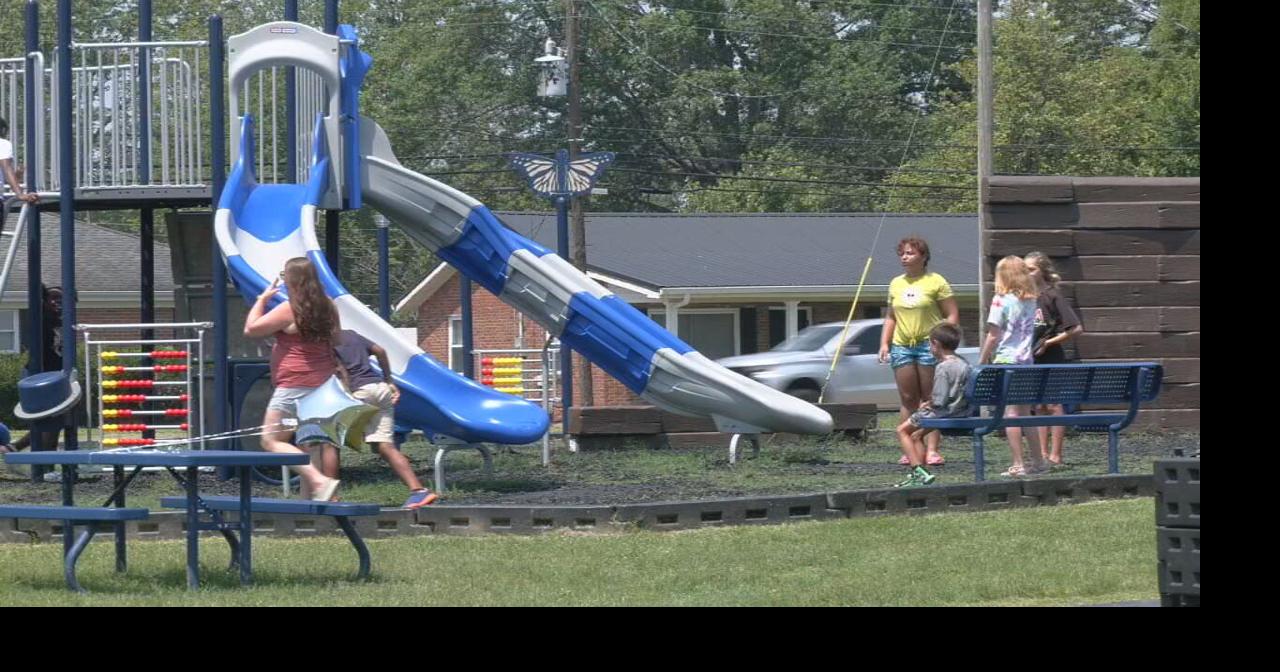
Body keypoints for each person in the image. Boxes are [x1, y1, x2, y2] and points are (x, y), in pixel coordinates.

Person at [243, 257, 343, 501]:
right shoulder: (329, 305)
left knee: (271, 440)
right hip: (323, 384)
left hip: (295, 385)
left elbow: (251, 329)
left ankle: (320, 481)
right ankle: (312, 504)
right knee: (311, 443)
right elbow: (338, 340)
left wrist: (262, 299)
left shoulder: (290, 308)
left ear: (290, 279)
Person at [322, 329, 438, 508]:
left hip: (357, 390)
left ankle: (330, 497)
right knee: (385, 446)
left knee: (330, 442)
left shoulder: (323, 341)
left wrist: (347, 394)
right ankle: (419, 491)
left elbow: (339, 369)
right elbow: (380, 351)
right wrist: (389, 379)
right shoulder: (351, 334)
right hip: (380, 388)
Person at [879, 236, 959, 467]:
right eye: (902, 253)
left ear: (923, 257)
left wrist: (943, 340)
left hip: (929, 345)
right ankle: (910, 449)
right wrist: (884, 343)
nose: (904, 257)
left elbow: (952, 314)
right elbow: (891, 316)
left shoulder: (936, 281)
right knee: (908, 398)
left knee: (930, 398)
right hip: (902, 345)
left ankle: (932, 450)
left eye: (910, 253)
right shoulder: (896, 283)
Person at [979, 255, 1047, 478]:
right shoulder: (1031, 300)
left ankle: (1018, 463)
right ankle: (1038, 461)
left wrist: (982, 361)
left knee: (1011, 413)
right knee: (1026, 413)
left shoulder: (1001, 299)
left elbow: (993, 334)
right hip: (1026, 361)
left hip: (1007, 361)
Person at [893, 322, 971, 488]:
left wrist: (927, 404)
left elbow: (940, 400)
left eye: (929, 344)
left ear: (935, 344)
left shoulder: (942, 367)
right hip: (960, 411)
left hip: (942, 412)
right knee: (916, 435)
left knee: (902, 430)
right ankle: (920, 477)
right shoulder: (964, 363)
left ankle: (918, 470)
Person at [1025, 252, 1083, 467]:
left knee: (1053, 404)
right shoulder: (1024, 297)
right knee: (1039, 405)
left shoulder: (1052, 295)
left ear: (1042, 271)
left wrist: (1049, 343)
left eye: (1031, 269)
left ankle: (1056, 455)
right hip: (1031, 357)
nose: (1027, 273)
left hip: (1050, 356)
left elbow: (1075, 329)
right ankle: (1042, 454)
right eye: (1024, 269)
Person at [2, 285, 65, 456]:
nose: (57, 302)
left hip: (56, 376)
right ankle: (25, 452)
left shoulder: (63, 321)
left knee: (56, 420)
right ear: (44, 301)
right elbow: (38, 293)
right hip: (38, 375)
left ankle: (30, 452)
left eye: (60, 299)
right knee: (48, 420)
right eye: (53, 298)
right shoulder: (41, 318)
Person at [1, 116, 40, 206]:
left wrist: (17, 175)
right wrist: (20, 194)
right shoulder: (3, 144)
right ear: (3, 130)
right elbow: (7, 169)